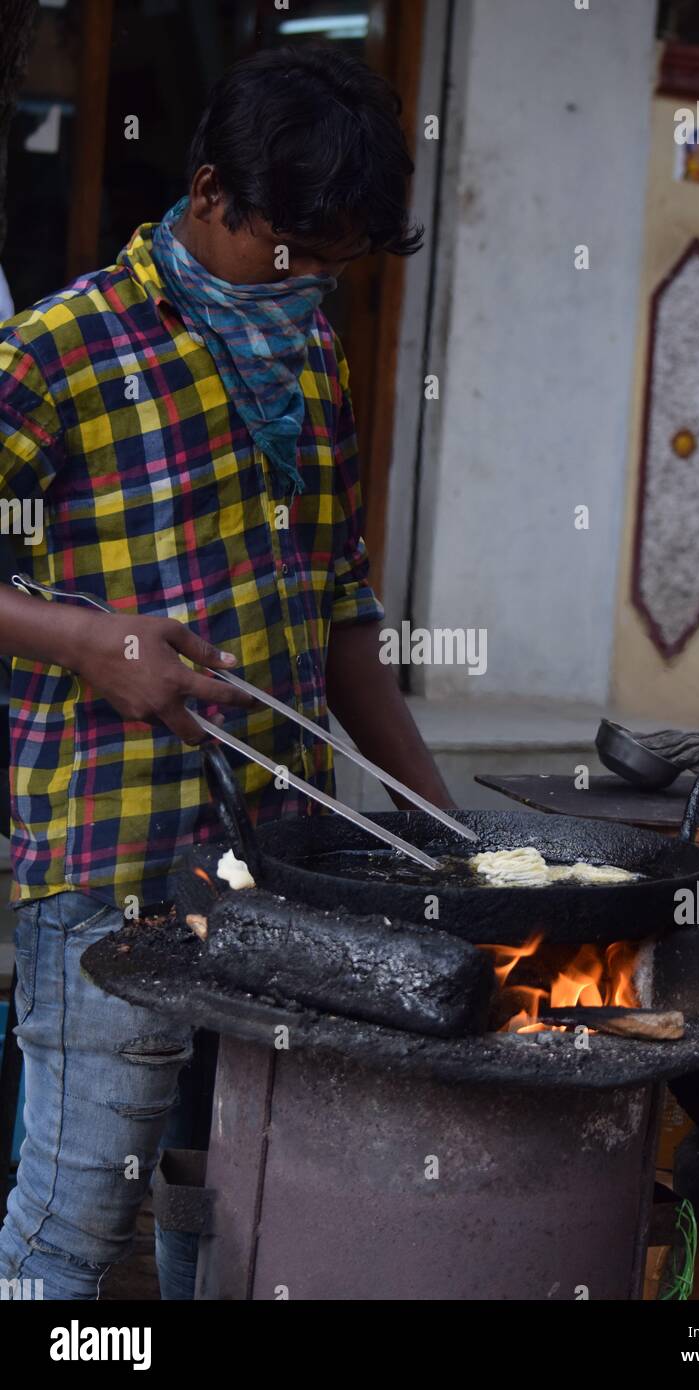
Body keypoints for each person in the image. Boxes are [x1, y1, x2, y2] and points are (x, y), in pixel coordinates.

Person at [0, 46, 453, 1300]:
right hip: (110, 866)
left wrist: (433, 817)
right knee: (72, 1226)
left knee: (230, 1193)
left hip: (277, 859)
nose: (309, 287)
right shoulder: (59, 350)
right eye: (291, 253)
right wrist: (86, 640)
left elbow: (337, 597)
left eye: (338, 264)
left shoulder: (311, 358)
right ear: (209, 194)